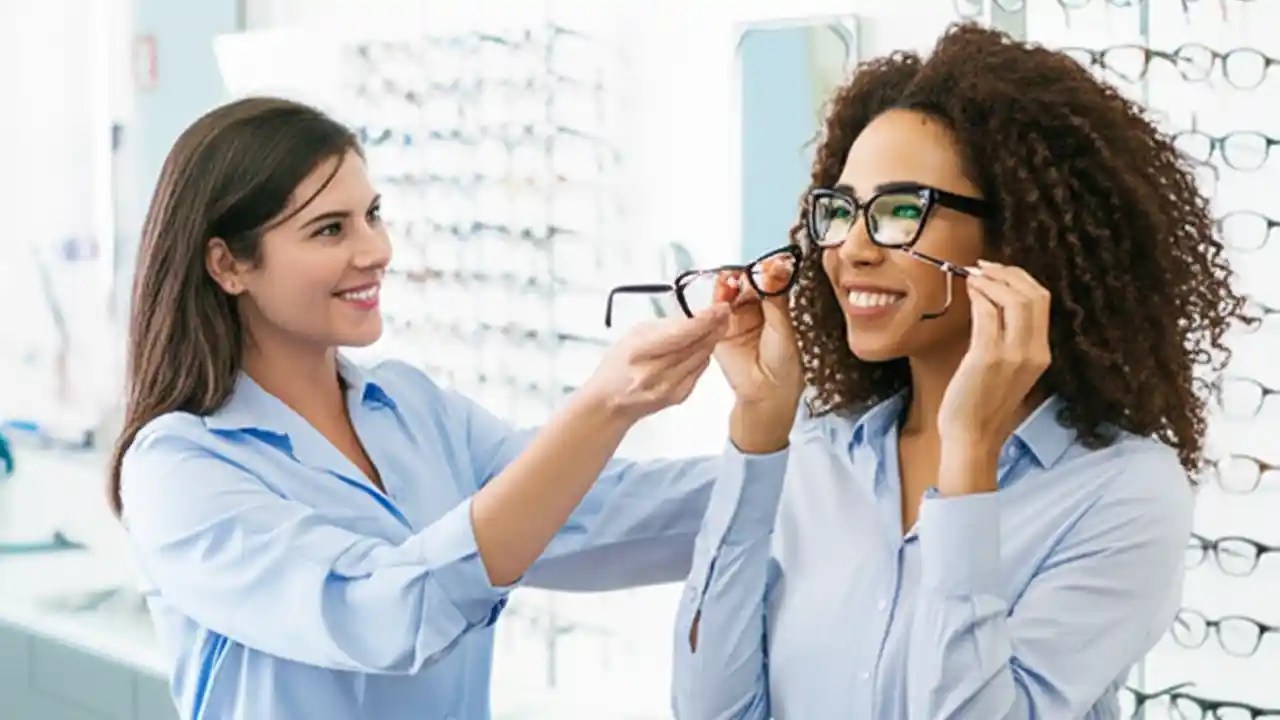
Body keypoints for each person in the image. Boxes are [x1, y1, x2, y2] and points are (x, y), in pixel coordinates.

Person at [107, 96, 776, 720]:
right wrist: (605, 405)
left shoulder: (409, 407)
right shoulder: (179, 468)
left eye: (373, 215)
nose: (375, 251)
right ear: (229, 265)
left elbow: (606, 514)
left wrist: (795, 442)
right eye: (330, 229)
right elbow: (385, 615)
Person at [672, 23, 1249, 719]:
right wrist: (758, 433)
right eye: (843, 210)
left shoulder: (1123, 493)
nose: (852, 248)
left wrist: (968, 458)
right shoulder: (823, 457)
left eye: (902, 210)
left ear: (1013, 237)